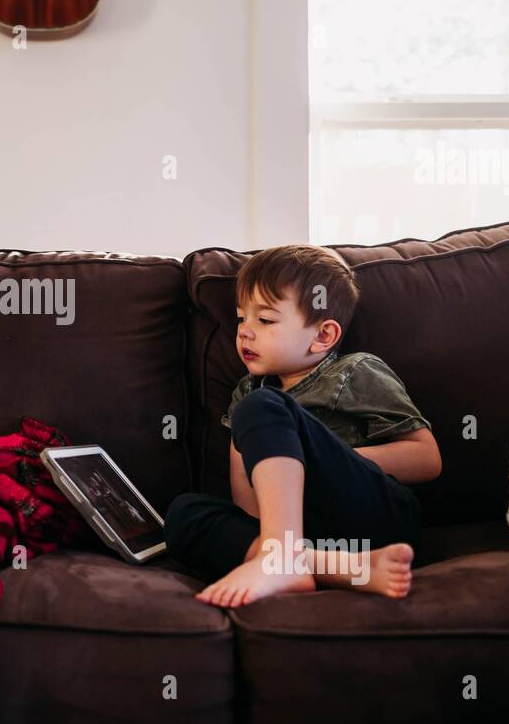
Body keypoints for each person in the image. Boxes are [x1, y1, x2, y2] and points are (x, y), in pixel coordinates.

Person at [164, 244, 441, 608]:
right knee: (183, 514)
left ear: (323, 336)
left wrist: (324, 463)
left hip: (371, 516)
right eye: (240, 319)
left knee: (263, 406)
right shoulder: (247, 392)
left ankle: (281, 558)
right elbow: (246, 499)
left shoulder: (354, 371)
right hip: (306, 535)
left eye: (264, 320)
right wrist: (262, 534)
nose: (245, 332)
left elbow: (427, 459)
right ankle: (332, 567)